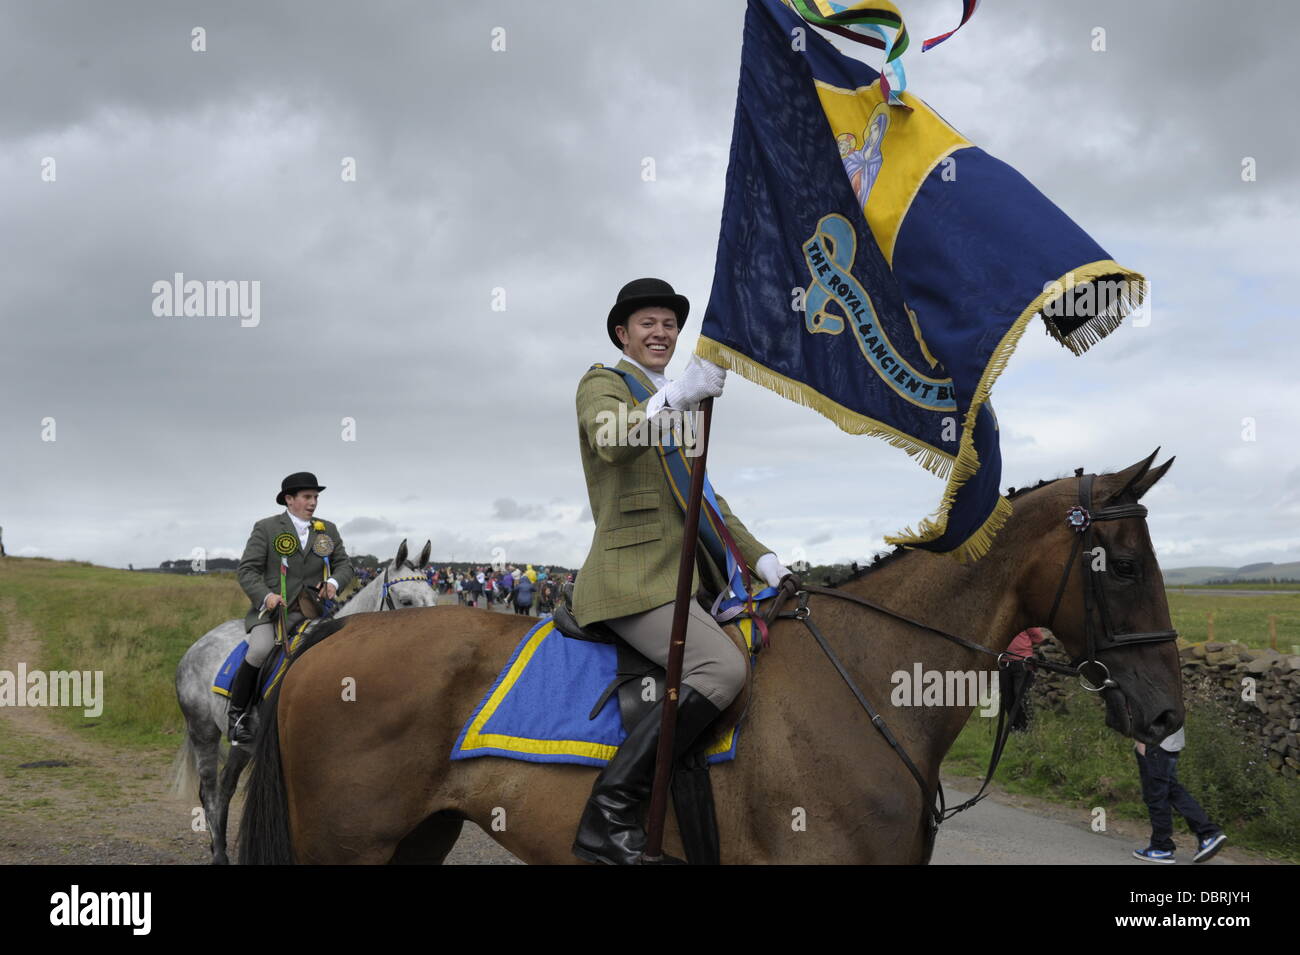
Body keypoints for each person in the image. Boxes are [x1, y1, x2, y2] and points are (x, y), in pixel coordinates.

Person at [569, 277, 790, 865]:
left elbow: (707, 502)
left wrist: (763, 559)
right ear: (623, 333)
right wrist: (676, 398)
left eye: (669, 324)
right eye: (648, 323)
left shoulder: (680, 404)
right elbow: (611, 439)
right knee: (721, 669)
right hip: (630, 581)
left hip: (685, 581)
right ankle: (609, 813)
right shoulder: (604, 383)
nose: (660, 333)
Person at [232, 472, 353, 745]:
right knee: (260, 649)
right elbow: (247, 570)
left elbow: (344, 564)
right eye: (307, 497)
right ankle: (238, 716)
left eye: (316, 498)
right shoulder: (266, 528)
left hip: (316, 610)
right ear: (289, 499)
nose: (313, 503)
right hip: (275, 612)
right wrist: (267, 596)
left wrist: (334, 581)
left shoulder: (327, 530)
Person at [1132, 726, 1228, 863]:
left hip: (1153, 742)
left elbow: (1143, 711)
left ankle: (1161, 847)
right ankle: (1208, 833)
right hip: (1170, 741)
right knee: (1172, 790)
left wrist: (1141, 744)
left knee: (1156, 795)